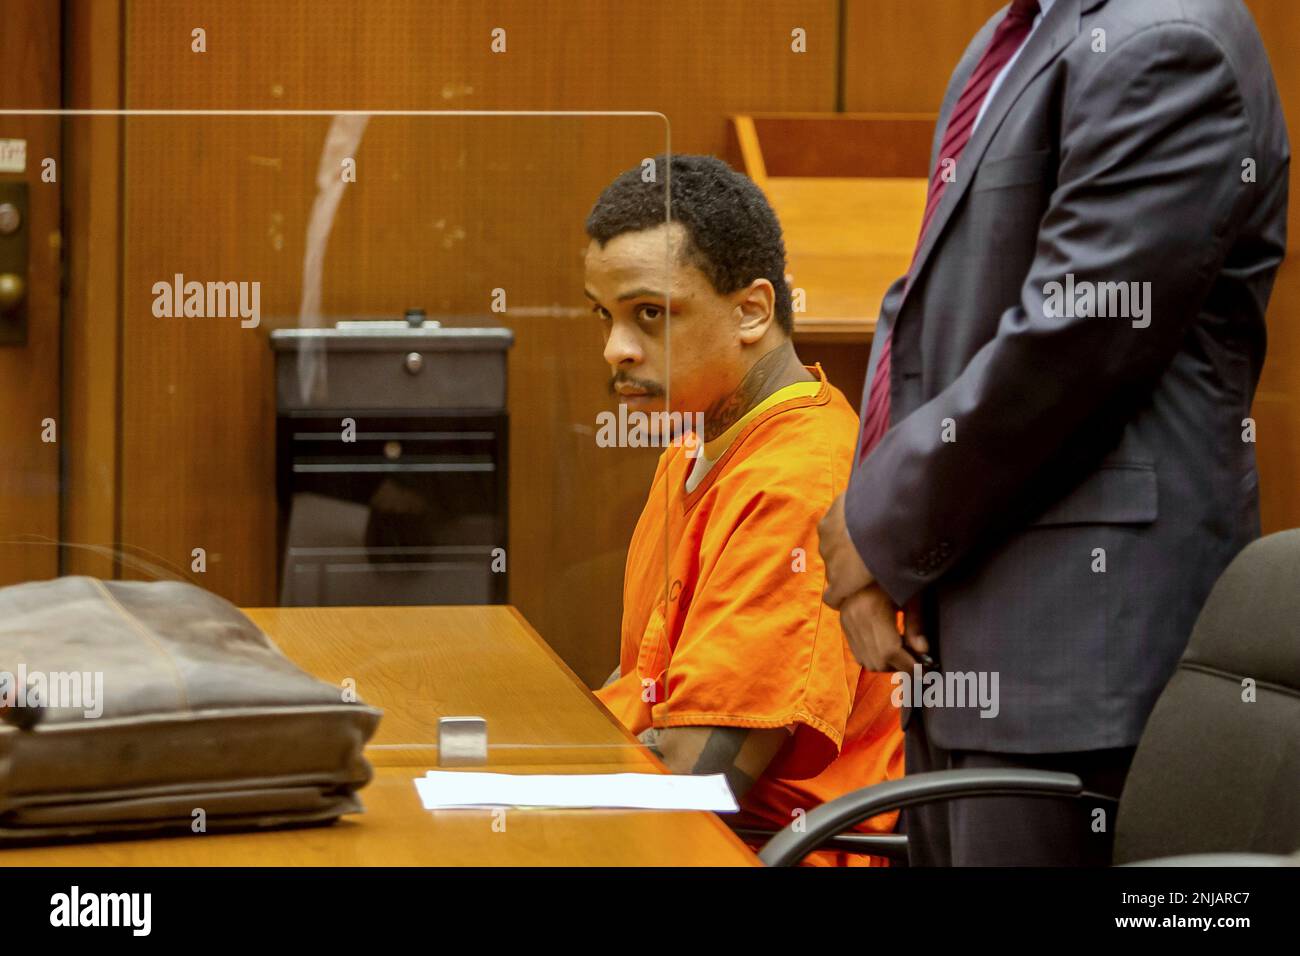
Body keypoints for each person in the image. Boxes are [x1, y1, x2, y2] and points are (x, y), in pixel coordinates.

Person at [817, 0, 1289, 865]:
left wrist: (875, 530)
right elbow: (919, 312)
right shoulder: (1020, 35)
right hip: (962, 632)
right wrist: (872, 545)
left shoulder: (1167, 40)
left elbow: (1068, 350)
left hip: (1072, 657)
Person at [586, 154, 904, 865]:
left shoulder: (796, 480)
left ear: (753, 311)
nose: (615, 349)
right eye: (603, 315)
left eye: (648, 314)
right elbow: (641, 683)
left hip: (762, 849)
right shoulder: (699, 444)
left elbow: (692, 781)